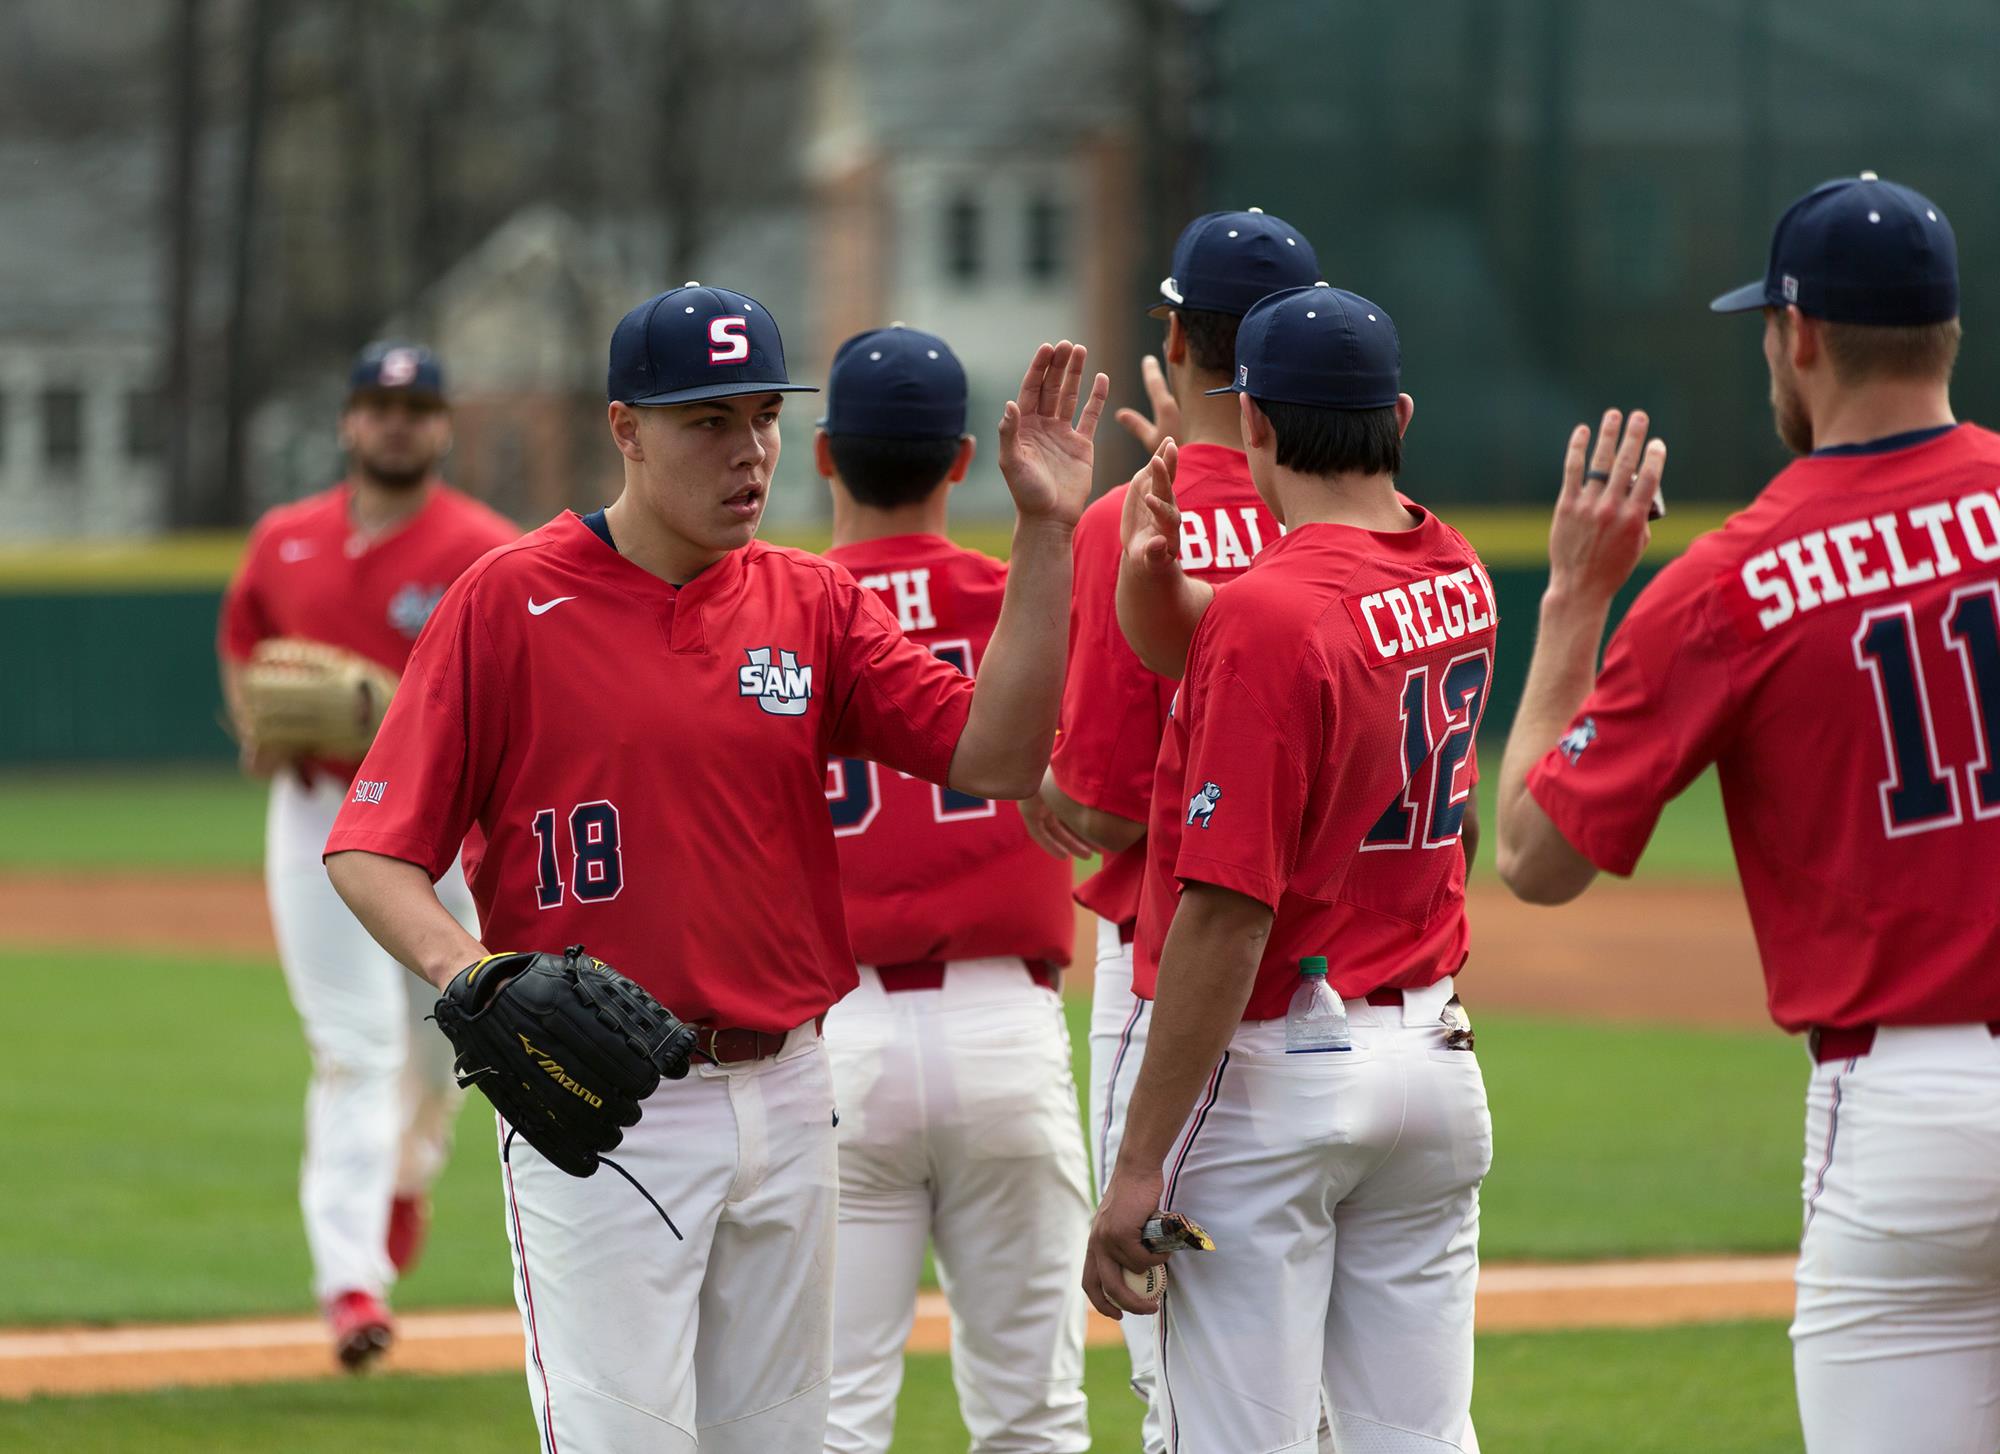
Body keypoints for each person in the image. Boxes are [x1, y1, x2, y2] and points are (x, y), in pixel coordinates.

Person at [321, 284, 1109, 1453]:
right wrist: (470, 973)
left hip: (794, 1091)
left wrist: (1044, 529)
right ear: (625, 429)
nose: (747, 451)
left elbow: (994, 752)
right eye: (705, 421)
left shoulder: (811, 600)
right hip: (601, 1103)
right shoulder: (509, 600)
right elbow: (371, 846)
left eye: (762, 416)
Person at [1493, 173, 2000, 1454]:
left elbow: (1532, 857)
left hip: (1903, 1112)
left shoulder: (1732, 578)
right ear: (1944, 331)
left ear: (1802, 335)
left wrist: (1568, 601)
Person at [1084, 285, 1497, 1454]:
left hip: (1281, 1079)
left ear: (1251, 423)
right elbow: (1289, 635)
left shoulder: (1277, 613)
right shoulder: (1451, 566)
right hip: (1429, 1064)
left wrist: (1135, 1163)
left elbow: (1222, 916)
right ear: (1397, 415)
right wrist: (1154, 587)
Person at [1020, 207, 1321, 1450]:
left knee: (1187, 1374)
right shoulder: (1364, 515)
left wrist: (1025, 774)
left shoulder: (1126, 522)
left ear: (1173, 334)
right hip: (1365, 981)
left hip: (1177, 968)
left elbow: (1089, 804)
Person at [813, 325, 1091, 1453]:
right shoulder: (1030, 601)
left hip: (831, 1039)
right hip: (1004, 1034)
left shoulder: (775, 605)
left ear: (823, 455)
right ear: (964, 460)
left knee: (826, 1413)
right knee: (1032, 1415)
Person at [216, 343, 518, 1368]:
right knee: (353, 1048)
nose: (397, 422)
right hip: (316, 813)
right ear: (349, 421)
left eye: (419, 405)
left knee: (443, 1046)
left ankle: (404, 1179)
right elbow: (243, 646)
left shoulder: (484, 548)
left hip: (439, 819)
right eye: (380, 405)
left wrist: (392, 710)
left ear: (442, 426)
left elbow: (518, 691)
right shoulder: (284, 540)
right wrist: (253, 720)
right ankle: (349, 1281)